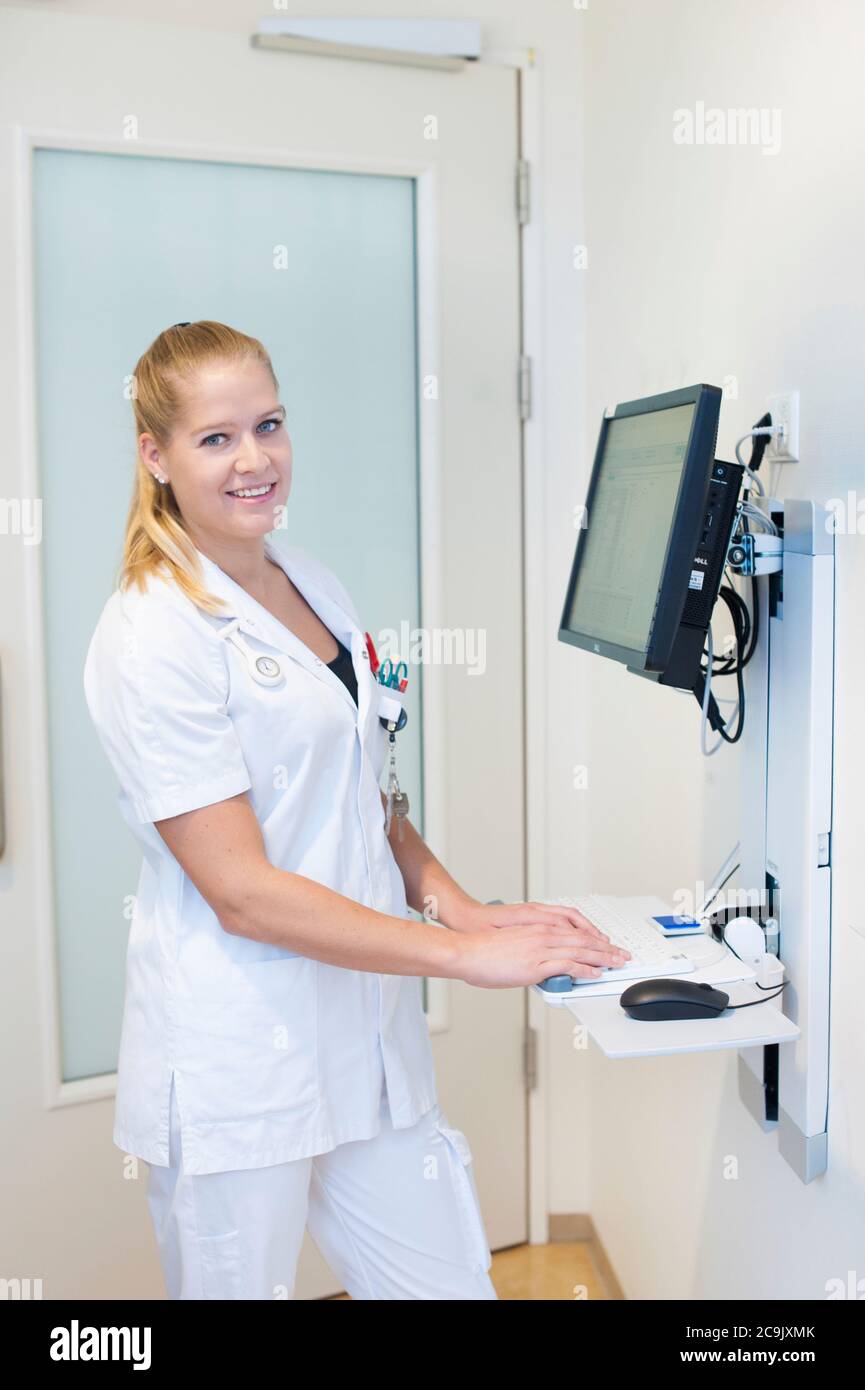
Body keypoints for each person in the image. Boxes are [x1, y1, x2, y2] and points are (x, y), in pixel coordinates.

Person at [83, 320, 629, 1301]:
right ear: (155, 455)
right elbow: (242, 892)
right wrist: (464, 958)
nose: (254, 459)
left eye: (269, 424)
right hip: (241, 1062)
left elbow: (363, 791)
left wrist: (462, 905)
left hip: (368, 1043)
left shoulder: (310, 583)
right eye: (215, 438)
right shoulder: (151, 633)